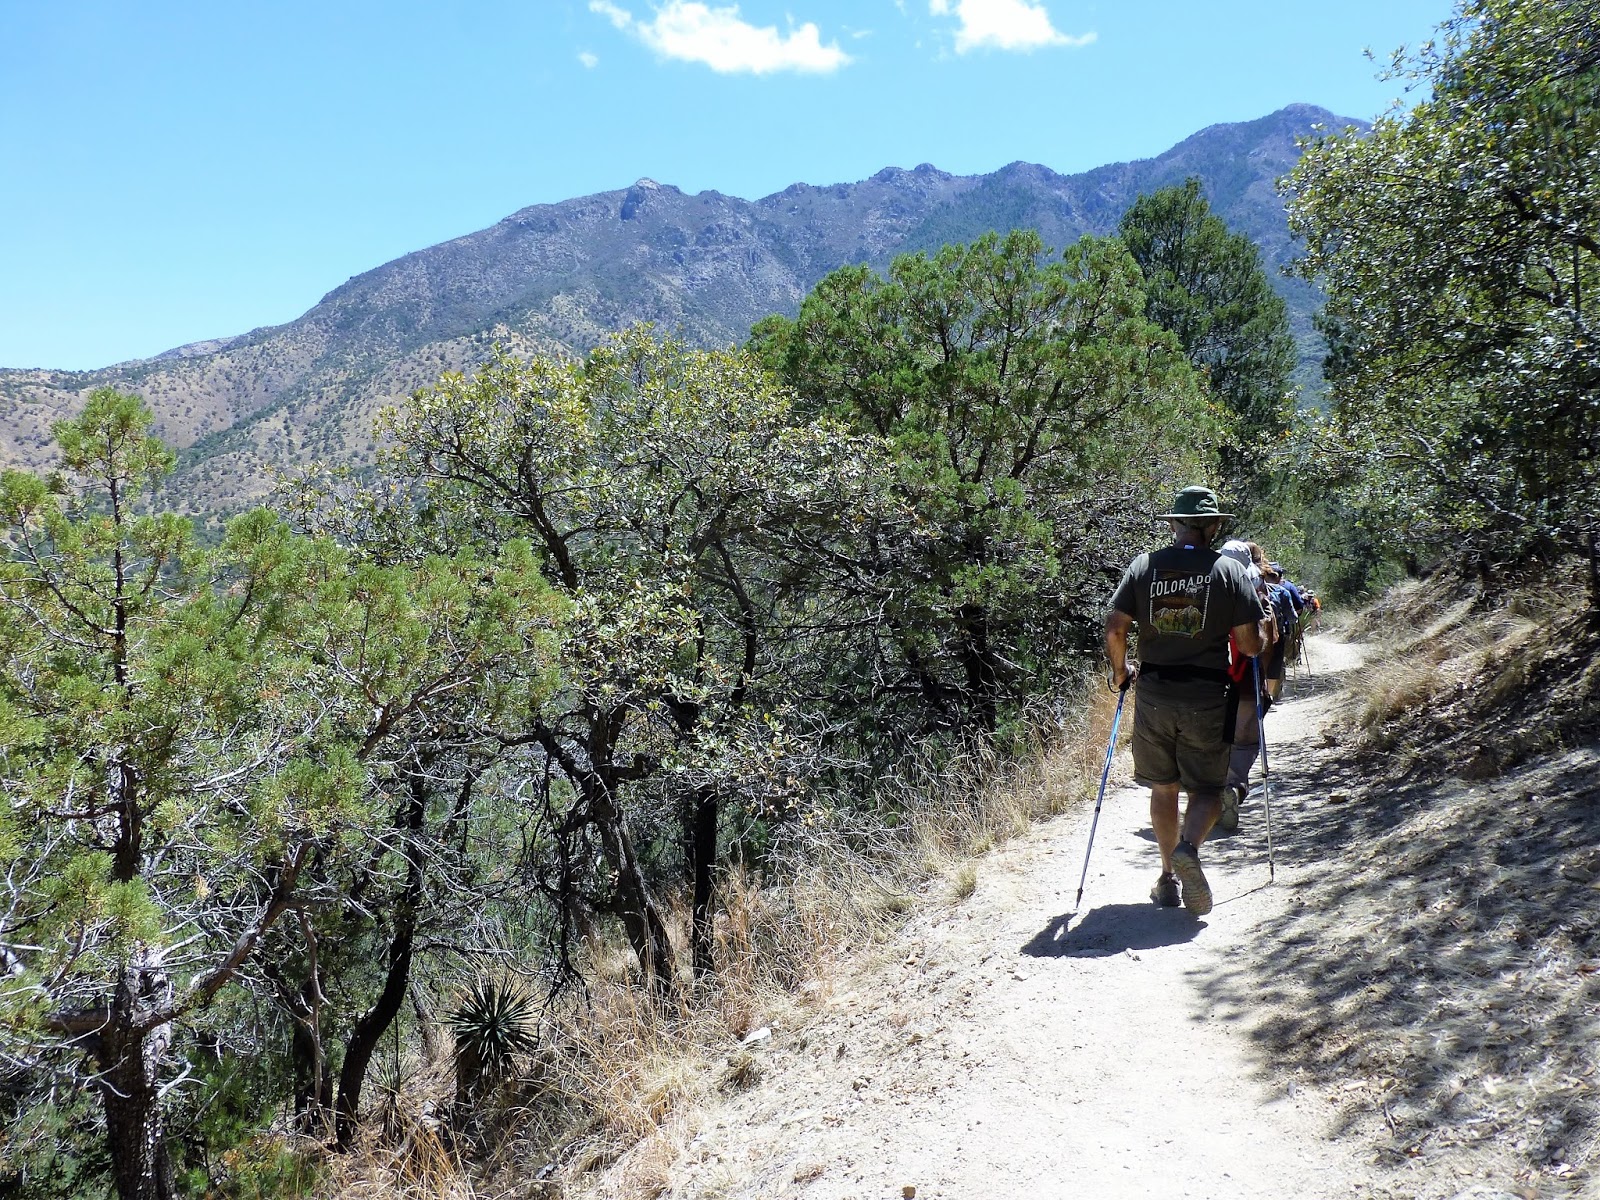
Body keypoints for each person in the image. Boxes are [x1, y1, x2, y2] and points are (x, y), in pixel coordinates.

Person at [1105, 487, 1269, 915]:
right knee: (1208, 788)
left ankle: (1167, 878)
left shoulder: (1145, 566)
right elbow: (1249, 646)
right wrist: (1262, 630)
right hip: (1207, 695)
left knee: (1164, 787)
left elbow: (1115, 628)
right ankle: (1188, 848)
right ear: (1213, 526)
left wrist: (1121, 673)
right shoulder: (1229, 572)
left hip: (1154, 693)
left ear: (1174, 525)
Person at [1217, 540, 1276, 833]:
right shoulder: (1257, 590)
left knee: (1215, 741)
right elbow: (1270, 637)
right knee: (1246, 740)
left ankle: (1210, 793)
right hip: (1246, 680)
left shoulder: (1208, 585)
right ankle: (1234, 786)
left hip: (1212, 682)